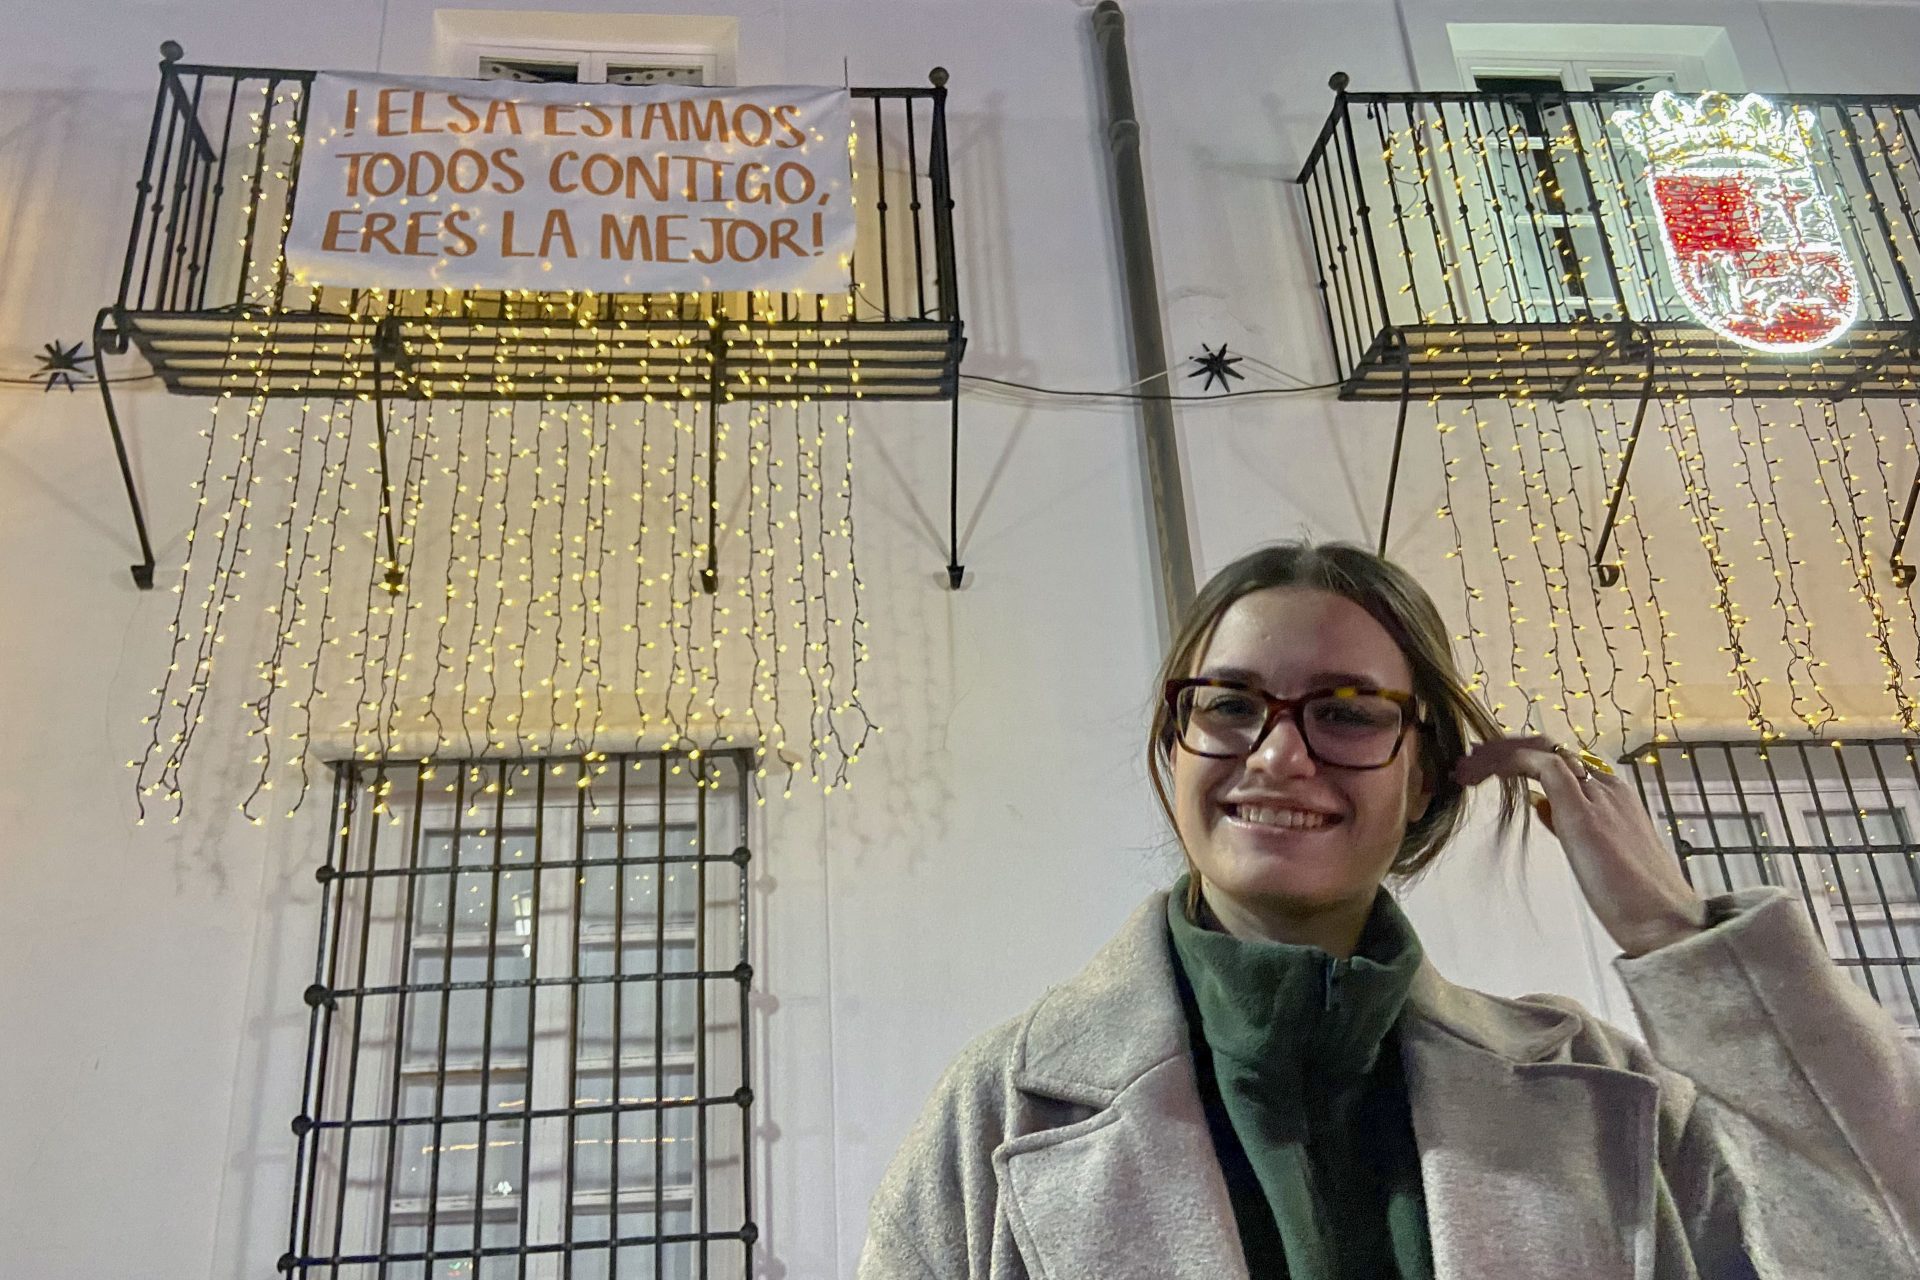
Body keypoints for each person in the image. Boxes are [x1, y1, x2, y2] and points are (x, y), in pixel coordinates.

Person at [857, 541, 1920, 1279]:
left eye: (1348, 711)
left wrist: (1680, 939)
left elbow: (1884, 1235)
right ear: (1172, 748)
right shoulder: (1000, 1108)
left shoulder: (1606, 1093)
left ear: (1425, 777)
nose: (1279, 751)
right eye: (1228, 705)